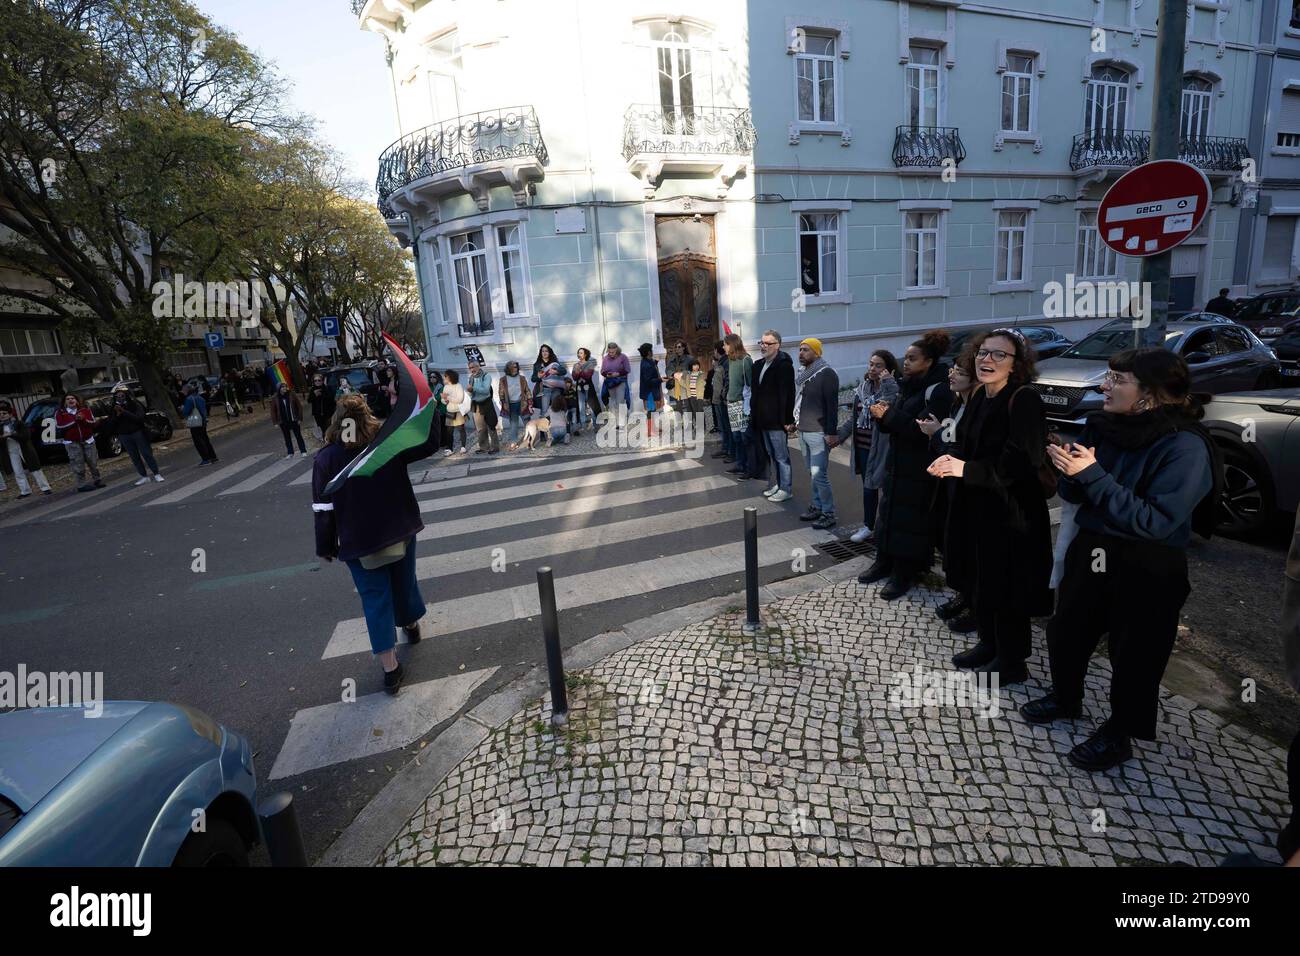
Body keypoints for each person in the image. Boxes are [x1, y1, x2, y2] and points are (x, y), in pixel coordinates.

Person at [1021, 347, 1215, 772]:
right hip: (1092, 548)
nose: (1104, 386)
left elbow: (1155, 521)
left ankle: (1119, 734)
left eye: (1117, 380)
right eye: (1107, 376)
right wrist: (1067, 472)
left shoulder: (1184, 446)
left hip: (1148, 563)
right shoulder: (1103, 425)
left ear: (1150, 393)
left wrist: (1091, 475)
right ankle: (1066, 698)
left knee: (1136, 656)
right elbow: (1077, 494)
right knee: (1067, 631)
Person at [928, 329, 1054, 684]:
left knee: (1008, 590)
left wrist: (965, 468)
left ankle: (1013, 662)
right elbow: (969, 446)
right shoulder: (982, 395)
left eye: (999, 355)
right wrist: (948, 459)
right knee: (983, 582)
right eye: (983, 353)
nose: (987, 360)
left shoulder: (1024, 399)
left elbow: (1020, 461)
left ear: (1017, 365)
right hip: (980, 508)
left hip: (1013, 515)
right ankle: (989, 643)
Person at [313, 395, 436, 695]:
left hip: (359, 541)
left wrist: (326, 546)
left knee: (374, 599)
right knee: (403, 583)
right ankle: (409, 625)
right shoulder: (387, 444)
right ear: (367, 415)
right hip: (400, 530)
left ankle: (390, 671)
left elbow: (323, 509)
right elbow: (428, 445)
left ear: (336, 420)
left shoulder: (326, 459)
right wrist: (433, 410)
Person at [861, 330, 953, 599]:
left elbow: (922, 430)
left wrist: (888, 415)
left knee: (910, 520)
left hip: (919, 467)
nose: (907, 363)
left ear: (929, 362)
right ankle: (884, 560)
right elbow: (897, 422)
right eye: (907, 358)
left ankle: (904, 572)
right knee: (888, 512)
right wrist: (882, 416)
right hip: (897, 464)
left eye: (913, 359)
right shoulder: (908, 384)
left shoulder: (939, 391)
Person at [919, 350, 977, 633]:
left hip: (969, 488)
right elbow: (950, 442)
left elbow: (963, 448)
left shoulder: (979, 407)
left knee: (969, 549)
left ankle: (975, 606)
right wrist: (938, 432)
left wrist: (937, 433)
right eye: (952, 369)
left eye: (960, 372)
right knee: (951, 542)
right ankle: (964, 595)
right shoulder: (958, 404)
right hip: (949, 484)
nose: (952, 375)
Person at [836, 351, 899, 545]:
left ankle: (887, 527)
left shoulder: (893, 390)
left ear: (888, 369)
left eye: (878, 365)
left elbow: (891, 402)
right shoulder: (862, 389)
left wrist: (888, 382)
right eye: (871, 364)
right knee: (868, 488)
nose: (872, 369)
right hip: (863, 447)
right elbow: (854, 419)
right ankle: (869, 526)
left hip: (882, 448)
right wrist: (840, 436)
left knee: (885, 489)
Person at [789, 338, 840, 529]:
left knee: (819, 475)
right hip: (804, 430)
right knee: (812, 473)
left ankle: (829, 513)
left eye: (806, 350)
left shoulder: (827, 373)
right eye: (800, 350)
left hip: (818, 433)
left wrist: (831, 433)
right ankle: (817, 506)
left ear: (817, 353)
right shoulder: (804, 374)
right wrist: (796, 423)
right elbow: (801, 403)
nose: (801, 353)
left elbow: (832, 406)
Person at [751, 330, 795, 503]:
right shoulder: (759, 364)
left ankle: (786, 488)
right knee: (771, 453)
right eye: (761, 343)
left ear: (777, 345)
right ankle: (778, 484)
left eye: (767, 343)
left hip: (777, 420)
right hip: (763, 418)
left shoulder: (783, 365)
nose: (763, 346)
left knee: (781, 456)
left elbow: (787, 394)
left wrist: (787, 420)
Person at [105, 384, 164, 485]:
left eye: (122, 396)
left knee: (146, 453)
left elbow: (139, 418)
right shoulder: (113, 408)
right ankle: (144, 476)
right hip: (124, 435)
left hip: (137, 432)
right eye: (117, 396)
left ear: (126, 395)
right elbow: (111, 423)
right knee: (134, 456)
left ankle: (156, 473)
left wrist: (124, 412)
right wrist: (117, 415)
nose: (120, 398)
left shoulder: (134, 404)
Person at [0, 401, 52, 497]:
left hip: (24, 448)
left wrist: (12, 434)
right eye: (0, 414)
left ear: (10, 414)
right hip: (11, 450)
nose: (2, 416)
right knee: (17, 471)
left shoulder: (19, 424)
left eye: (4, 413)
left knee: (34, 468)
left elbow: (25, 436)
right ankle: (25, 490)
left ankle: (45, 487)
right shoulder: (1, 427)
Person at [54, 393, 104, 491]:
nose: (70, 400)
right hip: (72, 443)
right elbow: (60, 426)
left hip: (88, 440)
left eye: (72, 398)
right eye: (68, 399)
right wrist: (75, 420)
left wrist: (83, 419)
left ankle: (97, 480)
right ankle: (81, 485)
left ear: (77, 400)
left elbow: (93, 423)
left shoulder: (85, 410)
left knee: (93, 462)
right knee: (78, 464)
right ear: (64, 402)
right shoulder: (60, 413)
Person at [723, 333, 754, 478]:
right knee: (736, 437)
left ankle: (749, 468)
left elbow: (751, 384)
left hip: (742, 404)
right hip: (732, 403)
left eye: (725, 344)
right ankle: (740, 464)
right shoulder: (731, 359)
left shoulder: (745, 360)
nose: (723, 346)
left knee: (745, 438)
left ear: (732, 344)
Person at [497, 360, 532, 450]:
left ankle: (531, 440)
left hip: (522, 403)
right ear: (508, 368)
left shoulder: (522, 378)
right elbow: (501, 393)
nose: (515, 368)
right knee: (513, 424)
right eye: (513, 367)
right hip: (511, 405)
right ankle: (514, 442)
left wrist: (530, 403)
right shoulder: (503, 380)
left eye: (516, 367)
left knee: (528, 422)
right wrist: (503, 402)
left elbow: (527, 391)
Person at [467, 359, 499, 455]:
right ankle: (484, 447)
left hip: (486, 403)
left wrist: (473, 388)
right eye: (470, 368)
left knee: (491, 425)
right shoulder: (471, 378)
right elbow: (471, 392)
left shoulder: (486, 376)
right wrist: (470, 392)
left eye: (473, 367)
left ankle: (495, 447)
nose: (472, 369)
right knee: (480, 428)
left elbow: (485, 390)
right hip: (476, 404)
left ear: (478, 366)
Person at [600, 342, 631, 435]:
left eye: (612, 352)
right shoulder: (606, 358)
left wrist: (618, 373)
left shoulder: (623, 357)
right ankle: (614, 423)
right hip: (610, 382)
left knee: (620, 402)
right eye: (609, 352)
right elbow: (602, 371)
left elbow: (627, 369)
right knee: (612, 402)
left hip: (620, 381)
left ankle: (621, 423)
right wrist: (607, 374)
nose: (611, 354)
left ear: (617, 350)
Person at [708, 341, 733, 461]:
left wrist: (723, 395)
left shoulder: (726, 362)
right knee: (722, 427)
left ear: (717, 351)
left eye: (714, 350)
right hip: (717, 400)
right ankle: (725, 448)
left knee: (726, 427)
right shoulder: (721, 363)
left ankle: (730, 451)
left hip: (722, 400)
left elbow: (727, 381)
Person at [271, 383, 308, 457]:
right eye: (282, 387)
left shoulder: (291, 395)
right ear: (279, 389)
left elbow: (299, 406)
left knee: (298, 435)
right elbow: (273, 410)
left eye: (285, 387)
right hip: (283, 421)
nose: (285, 388)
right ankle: (290, 452)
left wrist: (299, 418)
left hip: (293, 419)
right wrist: (275, 422)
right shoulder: (275, 397)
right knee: (287, 437)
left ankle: (303, 451)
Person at [571, 348, 602, 433]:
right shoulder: (575, 365)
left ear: (585, 355)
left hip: (588, 388)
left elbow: (587, 375)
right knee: (581, 407)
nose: (579, 354)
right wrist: (577, 372)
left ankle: (596, 425)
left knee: (592, 406)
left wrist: (579, 370)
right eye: (578, 353)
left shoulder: (589, 364)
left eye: (581, 353)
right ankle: (582, 426)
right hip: (579, 389)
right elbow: (574, 377)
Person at [637, 343, 663, 439]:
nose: (652, 352)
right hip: (649, 391)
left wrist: (655, 363)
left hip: (650, 390)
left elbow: (650, 372)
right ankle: (650, 430)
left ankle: (653, 428)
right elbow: (648, 380)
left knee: (653, 409)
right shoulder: (646, 364)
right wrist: (661, 380)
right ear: (649, 352)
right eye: (651, 350)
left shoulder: (647, 361)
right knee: (651, 410)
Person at [442, 369, 468, 455]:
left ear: (450, 377)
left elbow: (460, 400)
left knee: (461, 429)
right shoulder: (445, 387)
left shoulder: (458, 386)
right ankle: (449, 449)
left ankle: (463, 446)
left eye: (445, 376)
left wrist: (448, 397)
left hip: (458, 411)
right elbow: (443, 400)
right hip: (449, 411)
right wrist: (444, 400)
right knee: (449, 431)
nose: (444, 377)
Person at [308, 374, 336, 441]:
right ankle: (327, 444)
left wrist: (322, 393)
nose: (317, 382)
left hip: (328, 413)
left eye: (319, 380)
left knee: (329, 429)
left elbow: (331, 398)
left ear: (322, 381)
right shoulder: (313, 390)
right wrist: (315, 395)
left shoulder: (327, 388)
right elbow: (309, 400)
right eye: (315, 381)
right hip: (318, 415)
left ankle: (331, 443)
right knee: (323, 430)